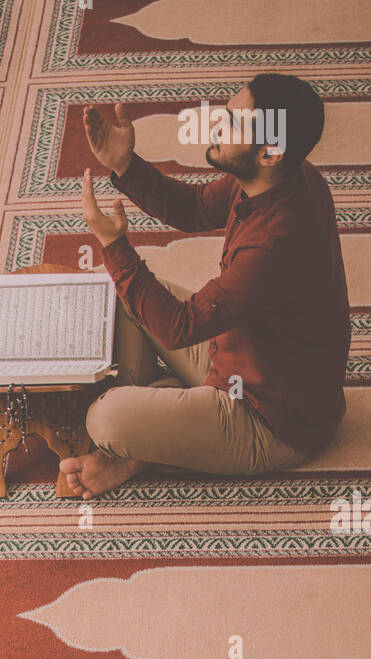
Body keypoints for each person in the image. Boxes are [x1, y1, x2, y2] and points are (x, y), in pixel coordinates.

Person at [59, 74, 350, 499]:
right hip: (236, 355)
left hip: (269, 419)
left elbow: (179, 328)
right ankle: (161, 427)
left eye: (233, 122)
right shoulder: (281, 175)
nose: (217, 125)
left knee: (103, 419)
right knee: (121, 297)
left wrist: (111, 242)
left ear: (269, 152)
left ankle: (144, 439)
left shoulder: (275, 245)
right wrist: (125, 163)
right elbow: (195, 208)